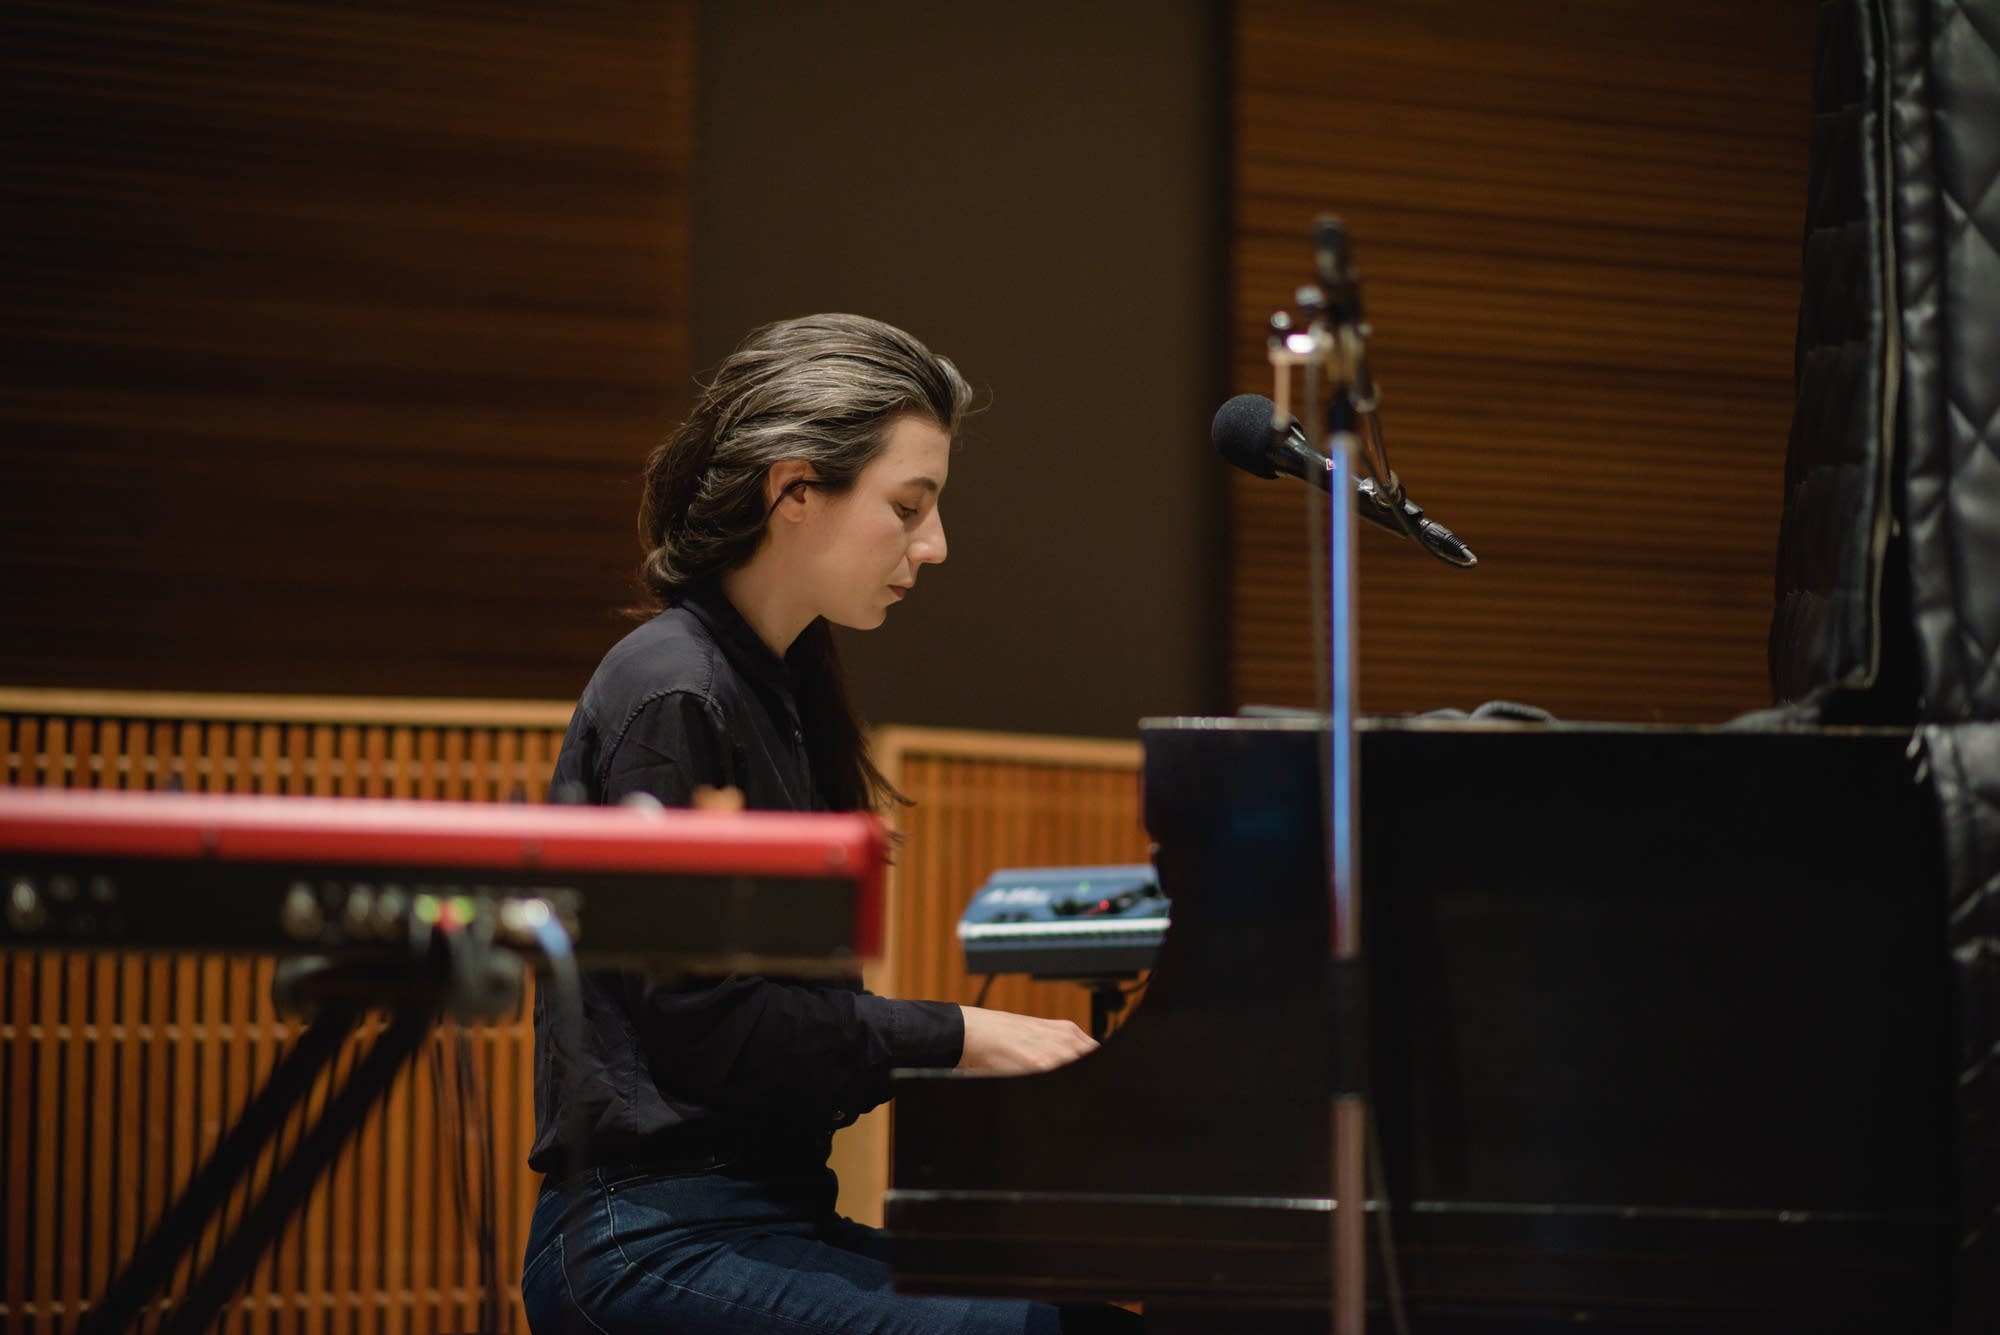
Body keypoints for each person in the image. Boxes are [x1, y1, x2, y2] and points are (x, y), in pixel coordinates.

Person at [521, 314, 1133, 1334]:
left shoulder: (778, 686)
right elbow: (710, 1032)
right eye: (908, 507)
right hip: (646, 1237)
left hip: (756, 1215)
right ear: (795, 489)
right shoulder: (673, 688)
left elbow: (778, 1037)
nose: (934, 545)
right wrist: (962, 1035)